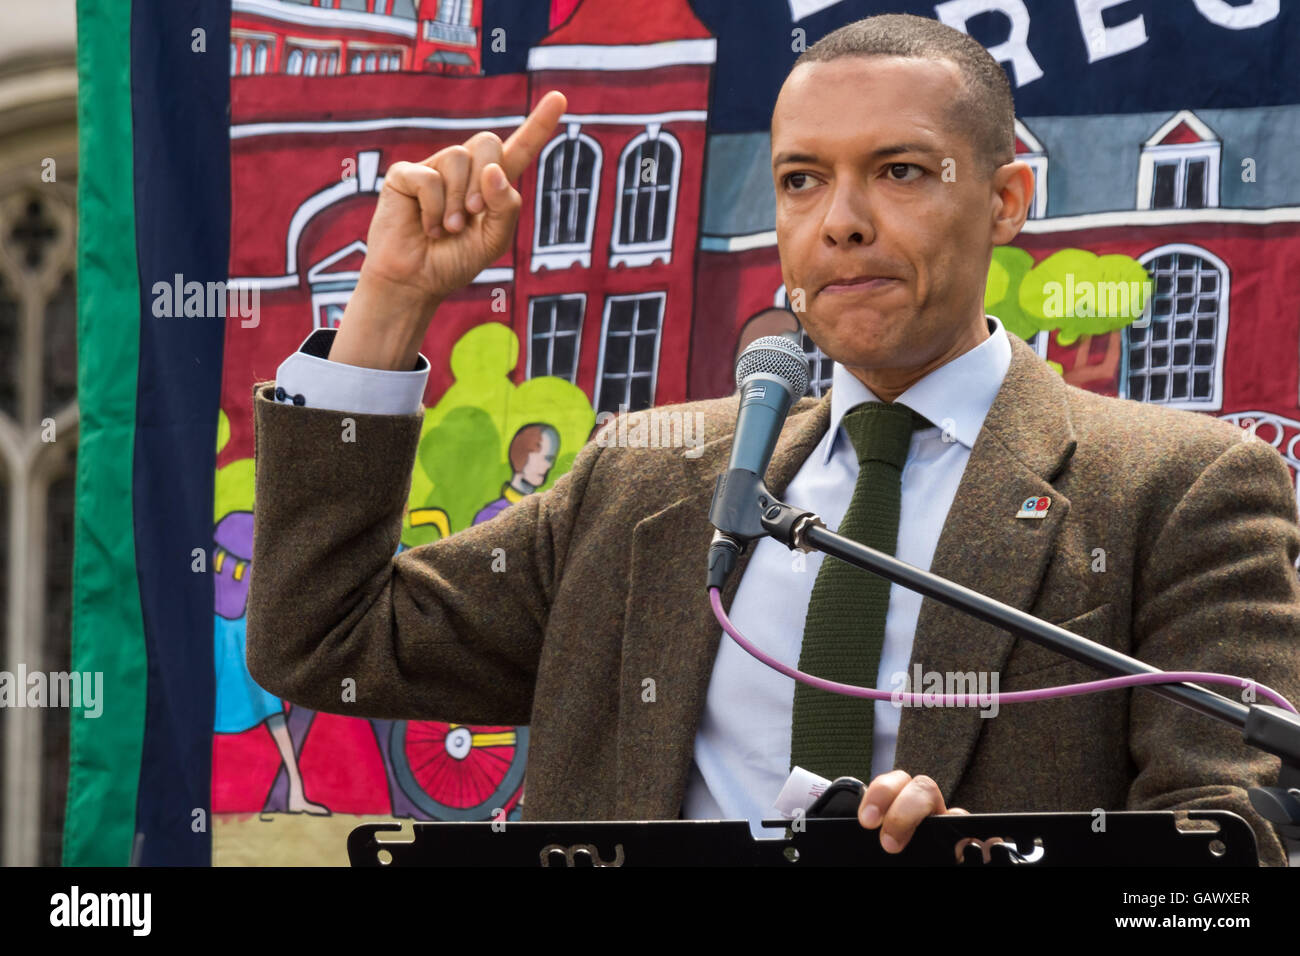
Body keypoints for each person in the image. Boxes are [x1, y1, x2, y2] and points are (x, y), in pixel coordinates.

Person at [247, 14, 1300, 865]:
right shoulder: (645, 473)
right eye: (801, 180)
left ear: (1005, 199)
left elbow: (1227, 838)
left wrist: (1015, 860)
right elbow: (325, 638)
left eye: (899, 171)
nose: (840, 220)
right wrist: (386, 306)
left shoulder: (1178, 487)